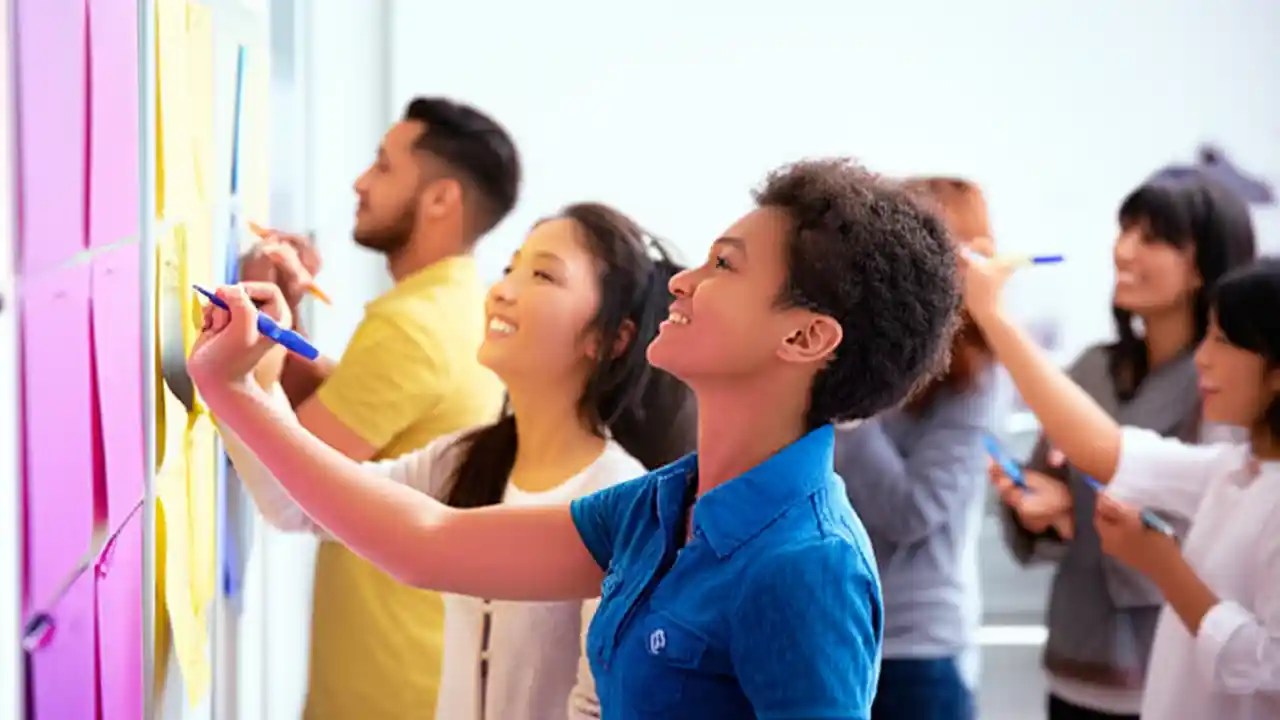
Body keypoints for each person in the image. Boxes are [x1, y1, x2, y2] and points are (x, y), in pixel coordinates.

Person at [187, 158, 962, 718]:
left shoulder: (809, 566)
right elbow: (426, 542)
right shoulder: (660, 506)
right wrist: (235, 390)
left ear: (804, 338)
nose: (685, 282)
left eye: (725, 265)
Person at [222, 203, 695, 719]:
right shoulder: (469, 457)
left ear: (609, 338)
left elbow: (597, 707)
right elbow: (300, 506)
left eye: (543, 275)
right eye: (512, 267)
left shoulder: (618, 497)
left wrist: (242, 386)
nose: (503, 289)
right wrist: (247, 382)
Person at [239, 97, 520, 719]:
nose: (360, 183)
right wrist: (284, 320)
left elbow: (291, 469)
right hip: (414, 669)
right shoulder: (453, 309)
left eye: (383, 166)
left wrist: (249, 345)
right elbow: (351, 414)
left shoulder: (414, 327)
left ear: (441, 199)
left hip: (387, 688)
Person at [964, 247, 1280, 719]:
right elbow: (1102, 448)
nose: (1203, 359)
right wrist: (992, 315)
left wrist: (1164, 565)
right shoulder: (1230, 471)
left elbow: (1266, 666)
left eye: (1223, 341)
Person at [835, 177, 1007, 720]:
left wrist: (848, 413)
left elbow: (915, 511)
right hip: (838, 631)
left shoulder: (976, 378)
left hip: (913, 650)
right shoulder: (866, 348)